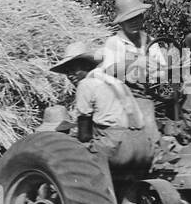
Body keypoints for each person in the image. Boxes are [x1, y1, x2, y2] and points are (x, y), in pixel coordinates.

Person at [50, 40, 152, 169]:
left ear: (86, 66)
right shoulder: (115, 81)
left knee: (71, 158)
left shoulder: (85, 84)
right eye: (67, 72)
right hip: (142, 146)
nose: (70, 75)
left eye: (73, 70)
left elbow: (84, 129)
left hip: (117, 146)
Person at [101, 0, 170, 95]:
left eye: (136, 17)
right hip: (120, 96)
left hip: (147, 94)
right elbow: (108, 70)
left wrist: (156, 70)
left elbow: (163, 71)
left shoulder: (150, 41)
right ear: (121, 23)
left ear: (142, 18)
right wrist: (135, 61)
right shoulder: (114, 42)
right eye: (129, 19)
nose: (134, 22)